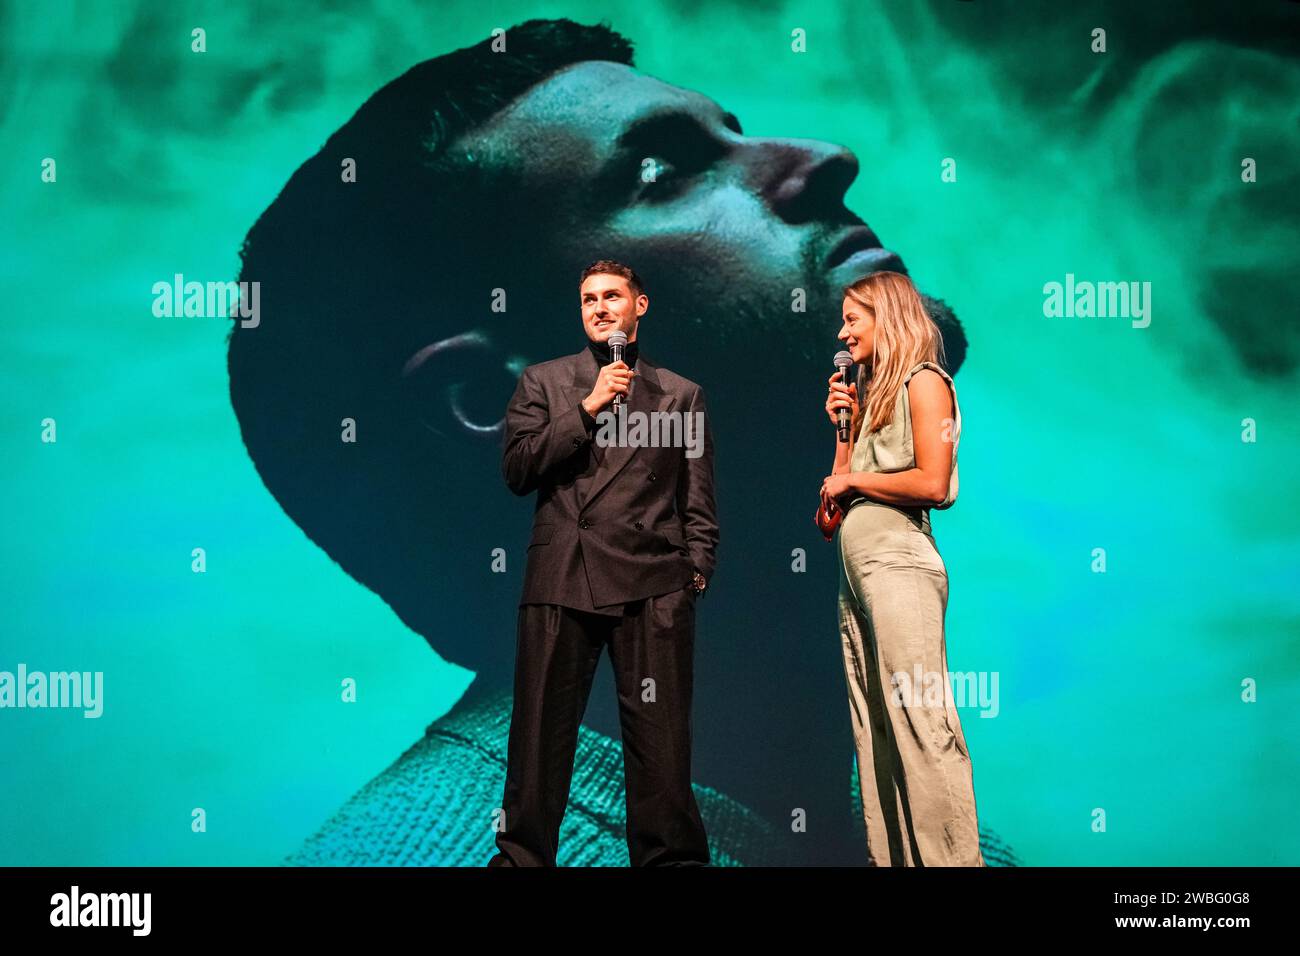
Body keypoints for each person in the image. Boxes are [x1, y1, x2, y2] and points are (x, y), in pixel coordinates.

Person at [487, 260, 716, 867]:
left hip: (654, 585)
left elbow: (697, 501)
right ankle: (521, 862)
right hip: (564, 575)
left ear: (640, 306)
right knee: (538, 744)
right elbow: (517, 470)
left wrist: (692, 574)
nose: (599, 307)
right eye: (588, 299)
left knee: (662, 751)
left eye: (612, 296)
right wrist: (587, 409)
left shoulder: (680, 394)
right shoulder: (545, 382)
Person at [821, 271, 985, 866]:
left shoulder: (925, 383)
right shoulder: (866, 401)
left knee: (920, 719)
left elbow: (935, 484)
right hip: (856, 573)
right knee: (876, 728)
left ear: (886, 317)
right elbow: (831, 514)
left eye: (852, 319)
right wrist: (844, 435)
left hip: (900, 563)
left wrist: (855, 477)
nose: (843, 332)